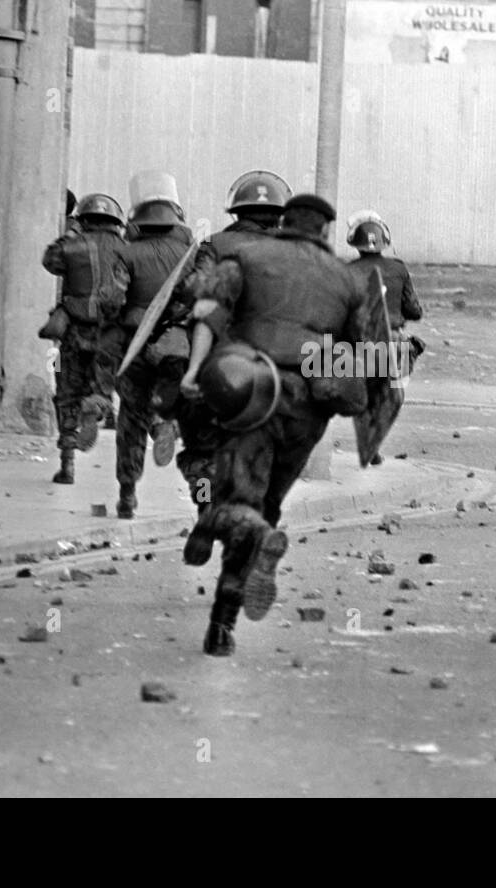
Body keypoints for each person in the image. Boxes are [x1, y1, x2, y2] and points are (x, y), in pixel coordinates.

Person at [179, 194, 369, 657]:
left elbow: (208, 307)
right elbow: (359, 351)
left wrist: (193, 370)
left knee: (237, 500)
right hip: (309, 408)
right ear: (324, 231)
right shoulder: (347, 280)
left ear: (286, 222)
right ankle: (223, 622)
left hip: (250, 389)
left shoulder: (246, 255)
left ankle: (230, 536)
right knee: (268, 503)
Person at [174, 169, 292, 533]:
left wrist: (192, 373)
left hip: (218, 369)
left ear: (236, 212)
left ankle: (205, 509)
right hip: (270, 372)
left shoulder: (214, 247)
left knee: (202, 455)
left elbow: (198, 298)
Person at [112, 171, 193, 519]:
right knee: (172, 399)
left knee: (131, 415)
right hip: (175, 344)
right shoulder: (190, 254)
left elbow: (112, 300)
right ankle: (164, 423)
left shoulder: (127, 254)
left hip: (135, 345)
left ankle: (128, 494)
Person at [40, 193, 129, 485]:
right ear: (116, 222)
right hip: (110, 335)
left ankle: (67, 462)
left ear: (84, 220)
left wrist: (72, 233)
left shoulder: (70, 246)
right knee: (103, 385)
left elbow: (49, 260)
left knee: (66, 390)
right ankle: (99, 404)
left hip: (74, 333)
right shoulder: (126, 249)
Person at [344, 209, 424, 463]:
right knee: (392, 395)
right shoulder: (398, 269)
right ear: (384, 241)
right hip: (395, 342)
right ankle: (374, 443)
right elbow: (414, 310)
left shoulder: (348, 272)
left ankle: (369, 445)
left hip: (362, 343)